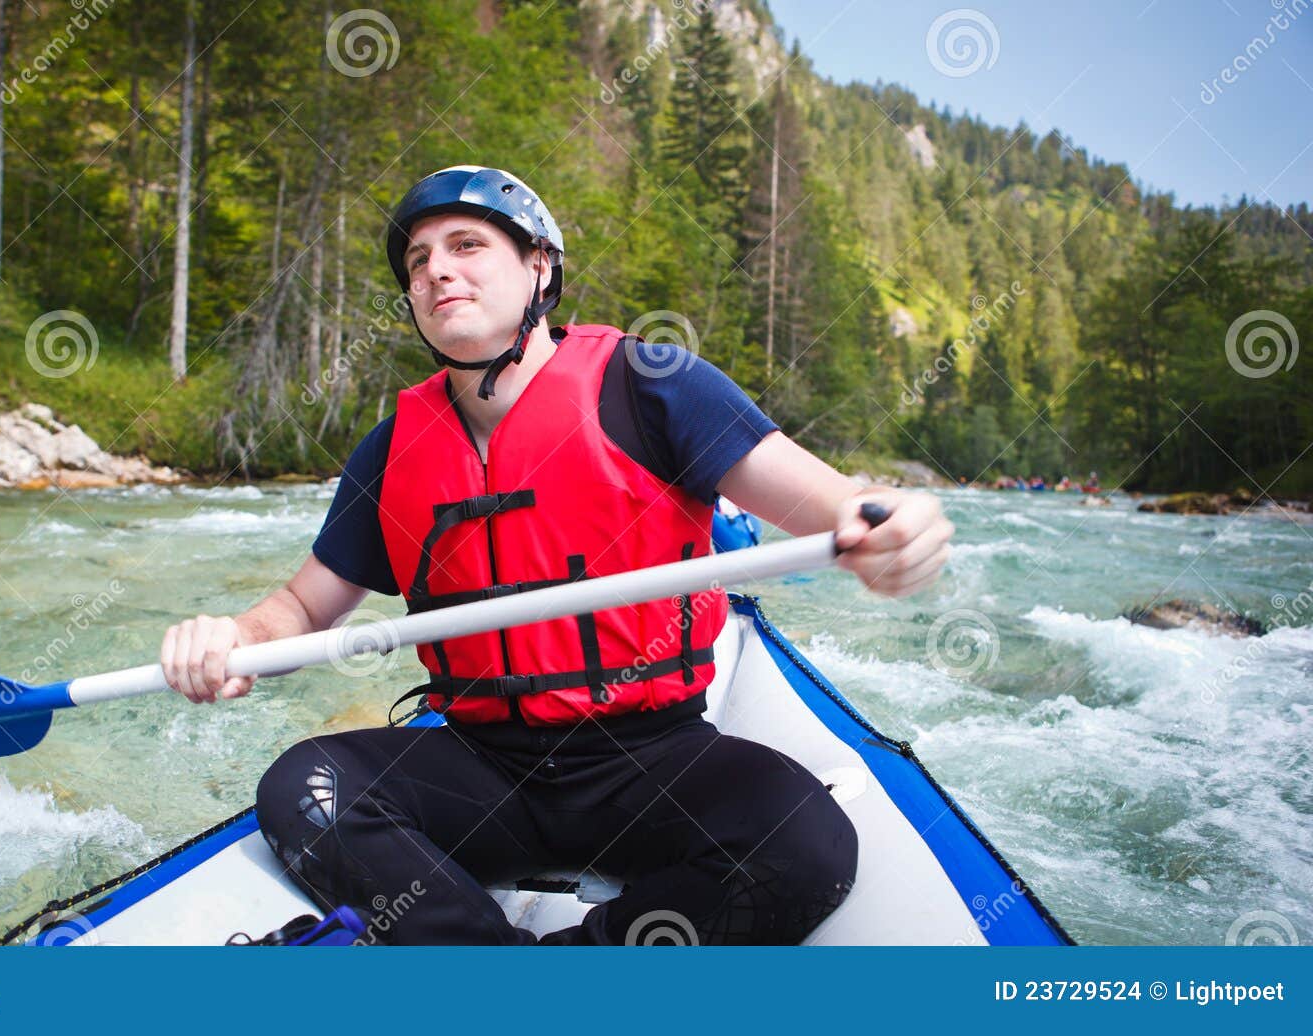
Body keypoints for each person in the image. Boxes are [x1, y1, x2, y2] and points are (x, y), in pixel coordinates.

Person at [160, 166, 954, 945]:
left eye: (466, 245)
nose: (437, 270)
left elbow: (831, 504)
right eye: (417, 261)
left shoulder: (651, 383)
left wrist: (880, 526)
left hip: (651, 760)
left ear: (539, 265)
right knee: (304, 789)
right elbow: (300, 611)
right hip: (479, 768)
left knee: (807, 844)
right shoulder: (391, 448)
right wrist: (236, 638)